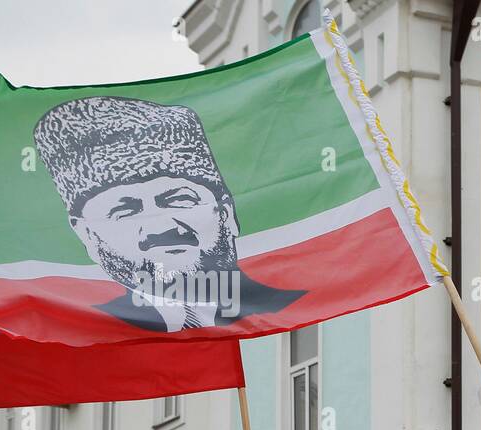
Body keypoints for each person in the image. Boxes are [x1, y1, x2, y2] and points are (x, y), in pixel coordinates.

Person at [33, 97, 304, 332]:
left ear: (226, 212)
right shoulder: (90, 331)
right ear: (87, 235)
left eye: (180, 200)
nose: (159, 227)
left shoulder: (298, 310)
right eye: (124, 211)